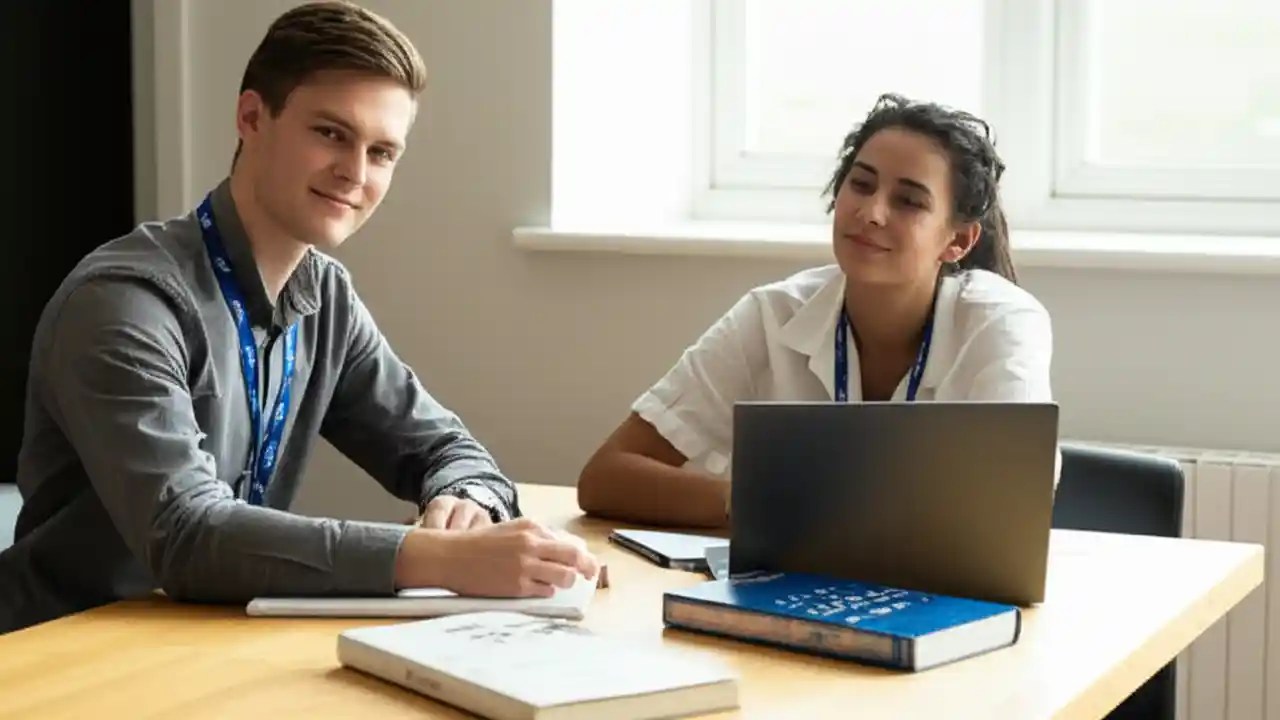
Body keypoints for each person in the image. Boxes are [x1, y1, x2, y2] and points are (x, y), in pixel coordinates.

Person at [0, 1, 596, 635]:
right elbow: (186, 534)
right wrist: (439, 559)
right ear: (252, 117)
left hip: (202, 641)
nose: (355, 174)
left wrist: (465, 502)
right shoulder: (124, 301)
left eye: (382, 152)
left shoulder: (326, 298)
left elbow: (448, 449)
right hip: (53, 650)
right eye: (331, 134)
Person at [578, 93, 1055, 529]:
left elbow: (1010, 510)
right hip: (792, 576)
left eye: (908, 201)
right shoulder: (772, 314)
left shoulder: (1001, 324)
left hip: (940, 585)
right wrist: (758, 501)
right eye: (861, 185)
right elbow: (605, 477)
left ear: (958, 240)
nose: (871, 212)